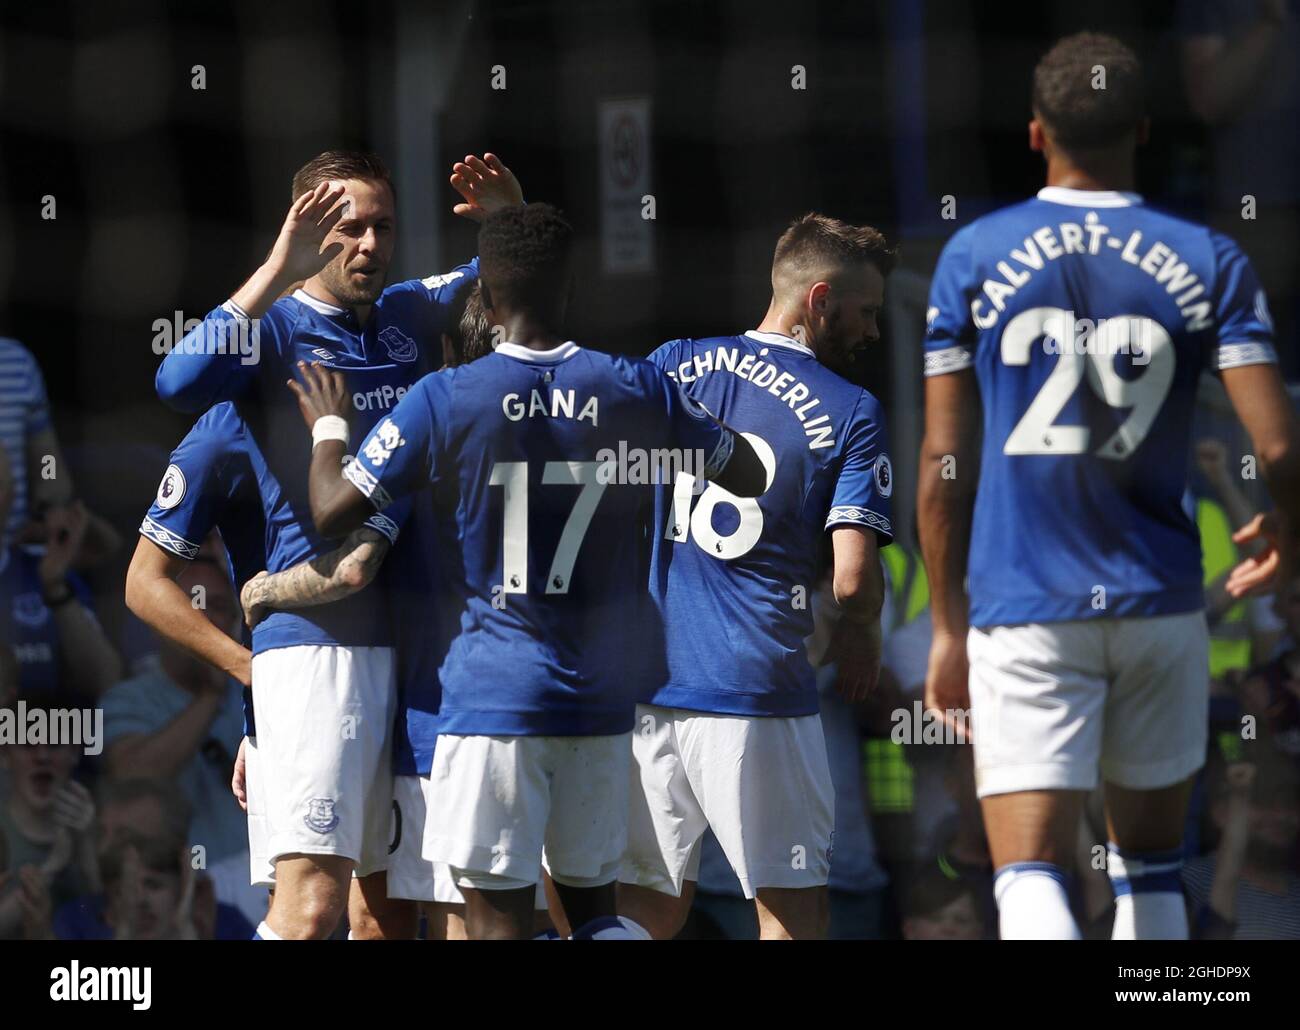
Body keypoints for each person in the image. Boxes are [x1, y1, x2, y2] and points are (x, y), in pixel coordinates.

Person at [290, 203, 764, 939]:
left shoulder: (445, 397)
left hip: (495, 699)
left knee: (494, 925)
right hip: (600, 707)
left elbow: (329, 511)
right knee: (596, 916)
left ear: (486, 299)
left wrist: (328, 426)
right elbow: (749, 472)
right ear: (572, 289)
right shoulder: (634, 388)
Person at [918, 32, 1300, 940]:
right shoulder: (1211, 257)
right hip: (1161, 606)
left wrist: (945, 625)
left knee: (1031, 870)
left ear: (1036, 132)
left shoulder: (973, 255)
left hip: (1025, 606)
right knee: (1152, 872)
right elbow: (1279, 449)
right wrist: (1294, 535)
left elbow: (943, 469)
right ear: (1142, 127)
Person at [152, 150, 524, 940]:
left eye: (380, 226)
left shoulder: (408, 317)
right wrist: (277, 263)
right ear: (308, 231)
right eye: (344, 227)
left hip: (420, 648)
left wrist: (507, 219)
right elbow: (176, 383)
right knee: (311, 910)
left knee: (388, 913)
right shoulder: (274, 333)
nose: (366, 243)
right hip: (316, 647)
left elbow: (502, 281)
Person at [618, 213, 894, 940]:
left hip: (646, 688)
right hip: (757, 691)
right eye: (866, 313)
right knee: (791, 914)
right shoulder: (852, 411)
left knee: (642, 914)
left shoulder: (672, 360)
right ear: (821, 300)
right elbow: (852, 582)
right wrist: (863, 631)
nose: (872, 333)